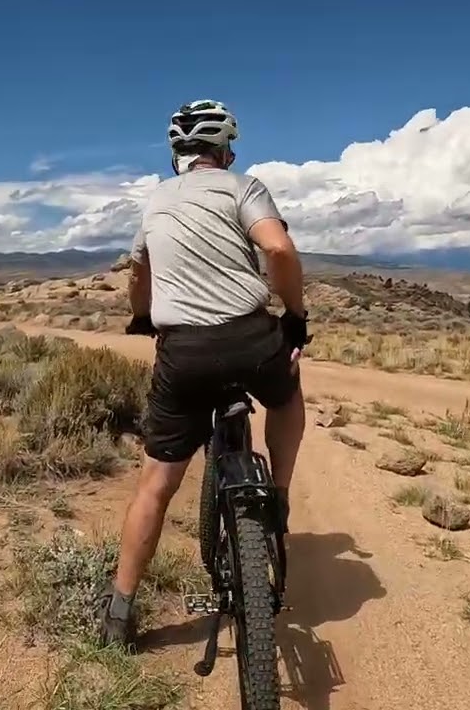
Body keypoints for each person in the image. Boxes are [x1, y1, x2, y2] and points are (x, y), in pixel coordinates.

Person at [94, 99, 310, 651]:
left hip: (184, 351)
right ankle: (279, 496)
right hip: (250, 338)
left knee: (156, 485)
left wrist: (142, 317)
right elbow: (278, 248)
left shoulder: (157, 200)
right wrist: (295, 316)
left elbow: (139, 272)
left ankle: (119, 614)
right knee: (286, 395)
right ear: (225, 151)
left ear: (177, 155)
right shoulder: (243, 187)